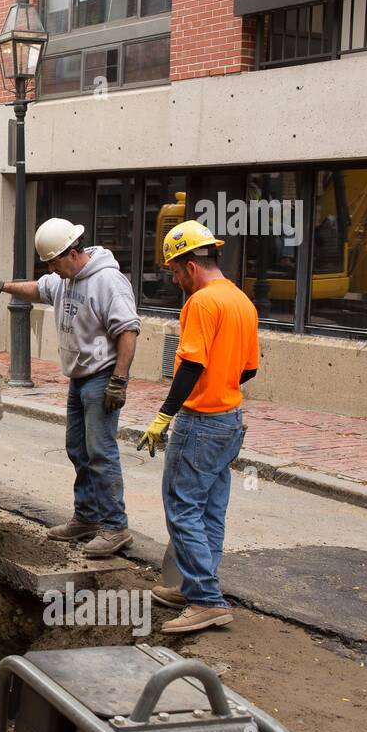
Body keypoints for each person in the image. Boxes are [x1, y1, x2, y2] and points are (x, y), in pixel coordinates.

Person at [0, 217, 140, 557]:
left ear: (72, 252)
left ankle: (115, 526)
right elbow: (37, 288)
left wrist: (119, 381)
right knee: (77, 448)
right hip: (78, 379)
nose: (51, 269)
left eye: (53, 262)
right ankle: (88, 517)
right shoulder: (64, 279)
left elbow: (128, 330)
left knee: (100, 451)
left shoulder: (108, 281)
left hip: (101, 378)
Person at [137, 220, 259, 634]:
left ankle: (206, 599)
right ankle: (196, 586)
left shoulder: (203, 303)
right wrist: (221, 388)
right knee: (211, 507)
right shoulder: (242, 301)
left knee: (182, 505)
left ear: (190, 266)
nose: (174, 279)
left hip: (201, 422)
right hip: (230, 420)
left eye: (174, 270)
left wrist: (165, 415)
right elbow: (250, 369)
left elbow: (191, 363)